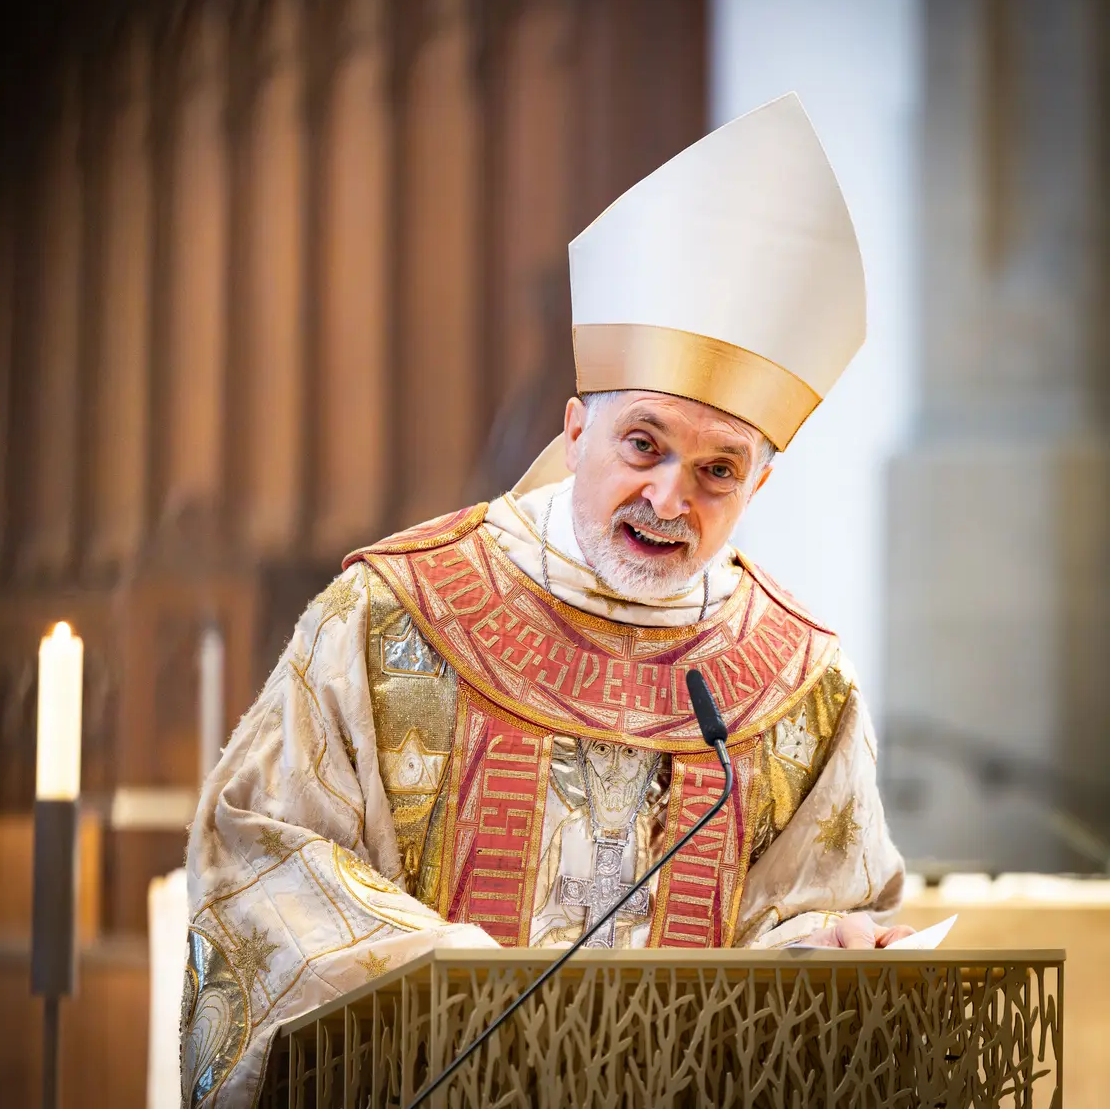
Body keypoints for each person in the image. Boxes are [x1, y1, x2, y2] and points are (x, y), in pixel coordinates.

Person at [180, 93, 911, 1107]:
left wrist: (824, 943)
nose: (669, 498)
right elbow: (263, 862)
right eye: (644, 445)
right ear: (576, 432)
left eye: (717, 470)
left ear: (759, 487)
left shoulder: (801, 684)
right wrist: (465, 985)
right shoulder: (391, 615)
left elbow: (805, 917)